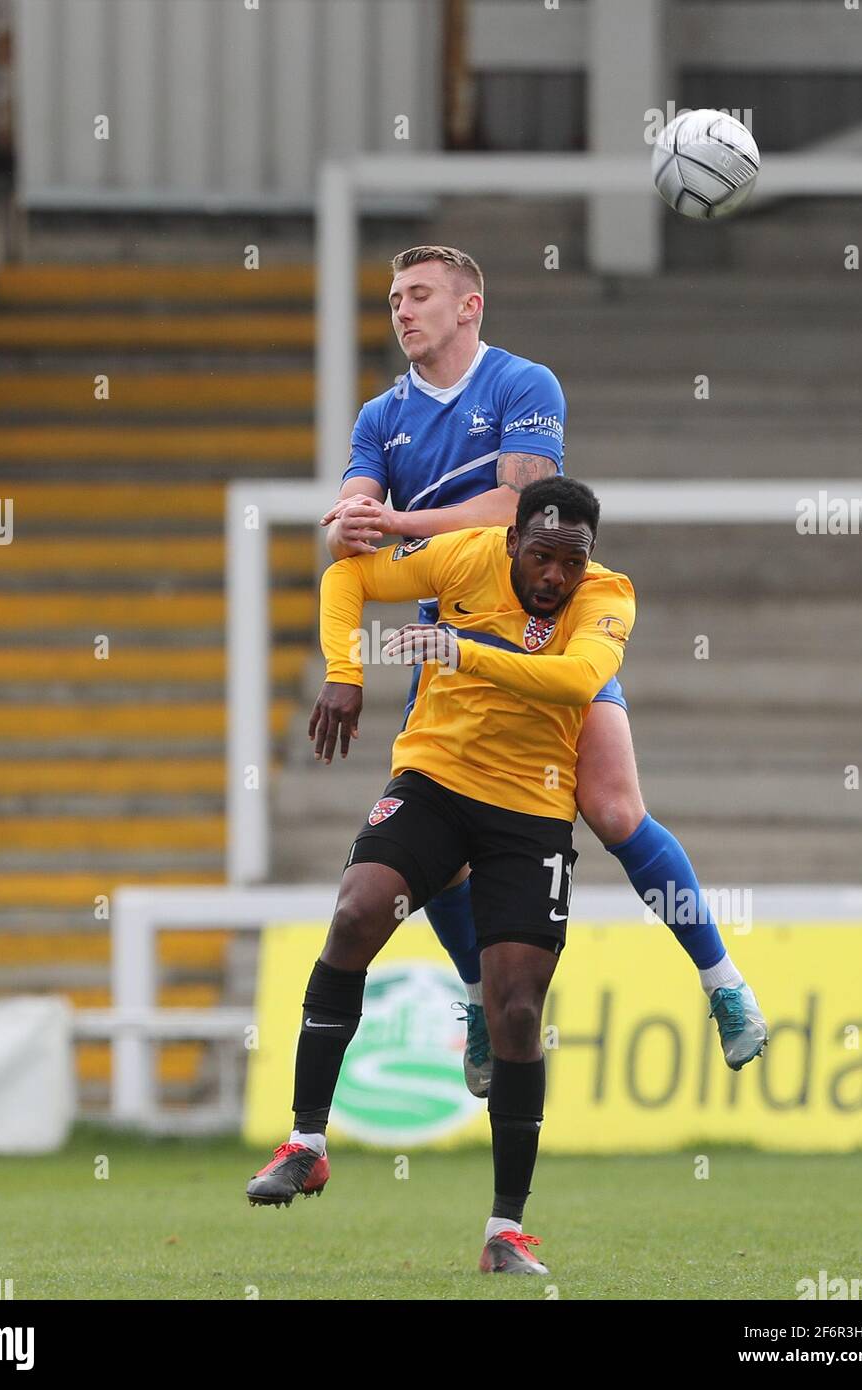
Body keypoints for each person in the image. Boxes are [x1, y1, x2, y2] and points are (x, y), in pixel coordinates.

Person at [320, 244, 766, 1093]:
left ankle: (724, 984)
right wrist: (350, 527)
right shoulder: (381, 415)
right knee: (441, 856)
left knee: (612, 807)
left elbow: (516, 508)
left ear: (469, 307)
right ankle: (480, 1000)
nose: (402, 310)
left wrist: (400, 522)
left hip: (549, 626)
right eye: (392, 298)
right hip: (446, 641)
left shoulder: (525, 386)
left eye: (419, 295)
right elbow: (355, 524)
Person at [248, 478, 632, 1274]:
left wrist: (462, 652)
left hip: (531, 812)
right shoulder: (462, 557)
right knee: (355, 915)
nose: (555, 576)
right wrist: (344, 669)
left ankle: (505, 1232)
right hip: (436, 782)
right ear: (511, 541)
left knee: (517, 1009)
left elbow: (576, 681)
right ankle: (306, 1142)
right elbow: (346, 574)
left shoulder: (608, 598)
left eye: (570, 560)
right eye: (541, 555)